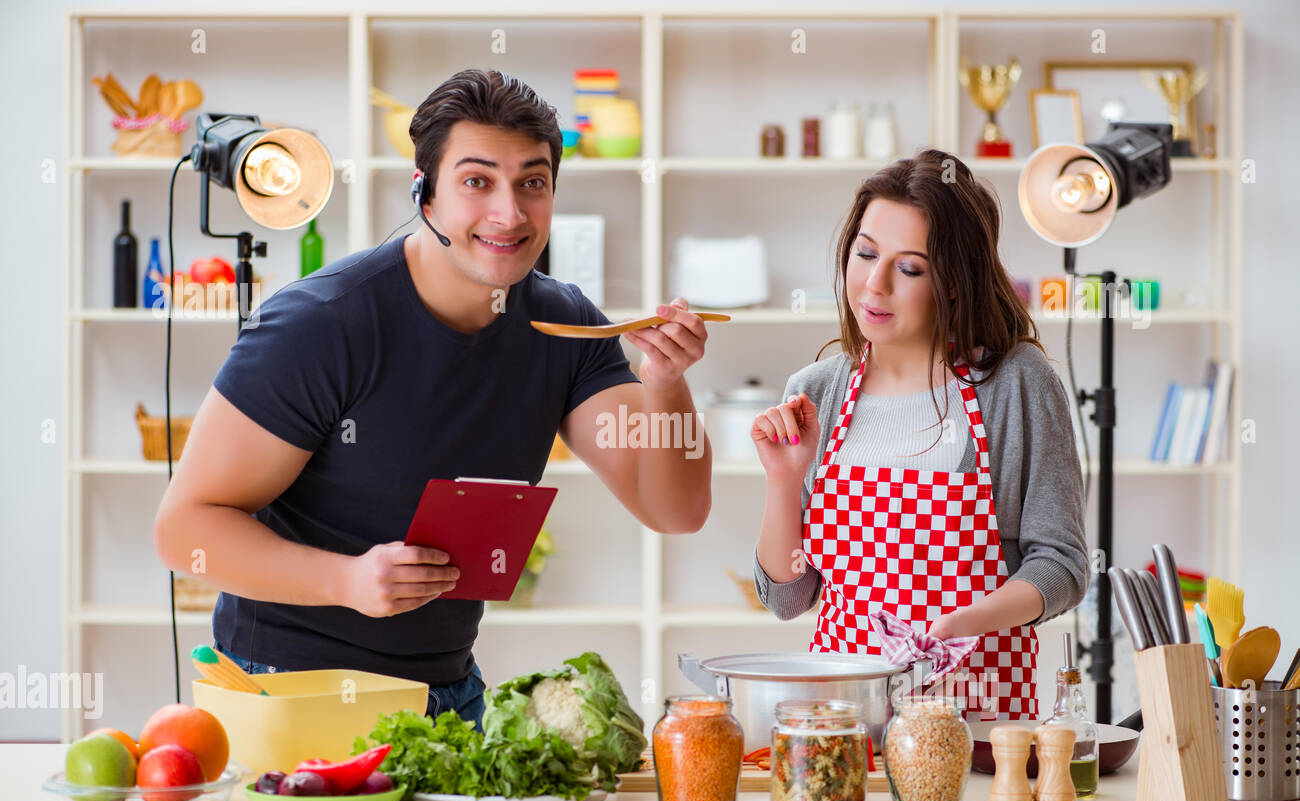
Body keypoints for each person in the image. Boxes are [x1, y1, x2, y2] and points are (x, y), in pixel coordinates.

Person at [154, 69, 712, 731]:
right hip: (290, 695)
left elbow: (673, 507)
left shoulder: (567, 327)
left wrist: (668, 384)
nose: (509, 212)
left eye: (532, 183)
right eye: (477, 182)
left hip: (448, 694)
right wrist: (347, 581)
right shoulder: (323, 324)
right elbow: (183, 528)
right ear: (424, 194)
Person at [751, 148, 1088, 720]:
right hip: (845, 724)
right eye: (865, 254)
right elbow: (787, 597)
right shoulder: (817, 390)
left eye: (909, 268)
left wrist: (961, 626)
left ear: (955, 282)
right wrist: (784, 482)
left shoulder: (1017, 384)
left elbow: (1062, 566)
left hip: (977, 721)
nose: (873, 285)